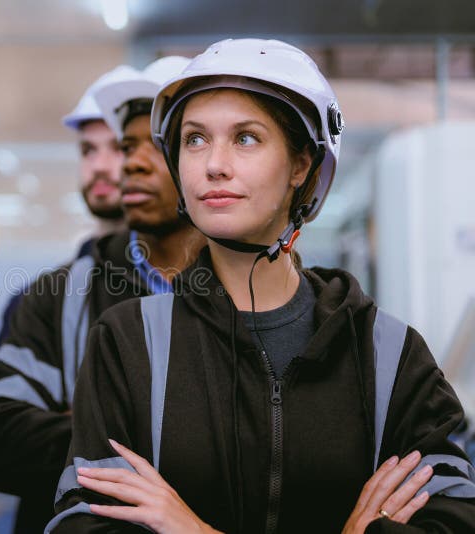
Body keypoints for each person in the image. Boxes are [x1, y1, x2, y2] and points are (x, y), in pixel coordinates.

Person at [48, 39, 475, 534]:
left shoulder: (391, 353)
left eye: (246, 138)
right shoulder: (126, 343)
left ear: (301, 166)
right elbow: (82, 524)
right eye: (195, 139)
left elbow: (455, 520)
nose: (214, 164)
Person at [0, 57, 206, 534]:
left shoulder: (248, 296)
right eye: (126, 145)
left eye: (155, 145)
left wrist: (91, 420)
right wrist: (181, 436)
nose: (122, 164)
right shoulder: (56, 298)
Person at [0, 66, 130, 351]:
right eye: (88, 150)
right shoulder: (39, 304)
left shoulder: (188, 292)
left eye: (120, 148)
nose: (100, 166)